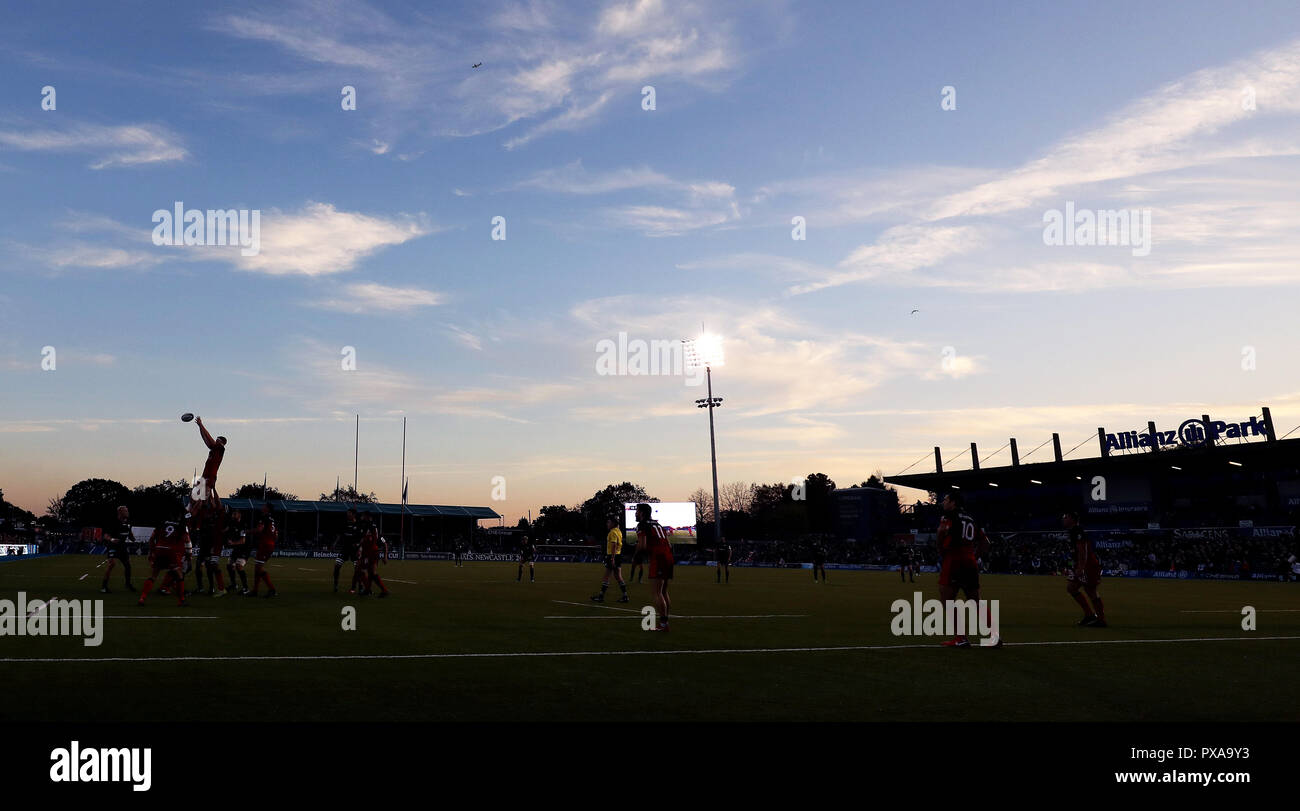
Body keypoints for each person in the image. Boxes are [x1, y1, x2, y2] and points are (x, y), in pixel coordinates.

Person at [936, 492, 997, 647]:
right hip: (969, 563)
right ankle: (995, 636)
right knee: (976, 601)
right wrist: (974, 557)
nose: (943, 503)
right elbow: (986, 543)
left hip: (954, 562)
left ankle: (961, 638)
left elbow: (944, 539)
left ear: (954, 503)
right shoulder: (971, 519)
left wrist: (940, 541)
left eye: (946, 500)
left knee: (947, 599)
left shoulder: (948, 518)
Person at [137, 512, 190, 607]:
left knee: (153, 575)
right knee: (179, 574)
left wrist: (152, 551)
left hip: (159, 549)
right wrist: (188, 554)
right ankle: (181, 600)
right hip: (171, 551)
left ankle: (142, 598)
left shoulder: (162, 524)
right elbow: (186, 540)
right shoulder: (181, 526)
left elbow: (152, 538)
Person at [634, 503, 672, 631]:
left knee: (656, 592)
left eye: (637, 511)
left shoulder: (642, 525)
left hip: (658, 558)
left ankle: (663, 624)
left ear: (642, 513)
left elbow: (642, 545)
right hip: (668, 556)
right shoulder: (658, 524)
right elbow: (669, 544)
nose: (635, 513)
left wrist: (635, 555)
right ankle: (665, 621)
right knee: (664, 591)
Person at [1063, 512, 1106, 627]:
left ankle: (1101, 620)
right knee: (1071, 588)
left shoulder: (1077, 531)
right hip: (1080, 565)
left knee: (1090, 590)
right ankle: (1089, 615)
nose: (1063, 519)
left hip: (1088, 566)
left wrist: (1081, 567)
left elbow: (1083, 550)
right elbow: (1075, 552)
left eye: (1065, 517)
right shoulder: (1073, 531)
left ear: (1072, 519)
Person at [591, 517, 629, 603]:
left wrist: (612, 558)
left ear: (613, 523)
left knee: (607, 576)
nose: (607, 524)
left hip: (613, 556)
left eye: (608, 522)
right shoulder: (618, 531)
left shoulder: (612, 532)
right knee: (618, 576)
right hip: (618, 555)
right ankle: (625, 596)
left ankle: (601, 596)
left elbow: (614, 545)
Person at [194, 416, 227, 507]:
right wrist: (200, 427)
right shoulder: (213, 449)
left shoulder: (220, 448)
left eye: (217, 440)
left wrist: (201, 424)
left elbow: (209, 438)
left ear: (220, 442)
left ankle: (195, 513)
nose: (215, 441)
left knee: (201, 496)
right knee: (196, 494)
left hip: (210, 476)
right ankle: (210, 508)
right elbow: (205, 439)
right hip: (205, 475)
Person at [101, 505, 135, 593]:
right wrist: (112, 539)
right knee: (111, 564)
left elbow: (129, 532)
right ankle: (104, 587)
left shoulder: (128, 522)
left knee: (128, 565)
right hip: (113, 546)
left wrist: (133, 538)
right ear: (120, 512)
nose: (127, 512)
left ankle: (127, 584)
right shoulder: (113, 522)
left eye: (127, 510)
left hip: (122, 546)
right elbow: (105, 535)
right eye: (125, 511)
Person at [247, 504, 277, 598]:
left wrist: (246, 532)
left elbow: (259, 529)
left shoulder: (264, 518)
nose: (262, 507)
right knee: (257, 568)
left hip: (265, 544)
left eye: (264, 506)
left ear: (267, 509)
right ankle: (255, 590)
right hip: (269, 544)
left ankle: (272, 589)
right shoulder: (272, 519)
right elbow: (276, 533)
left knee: (259, 568)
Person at [358, 515, 390, 597]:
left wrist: (385, 556)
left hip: (372, 554)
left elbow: (385, 544)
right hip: (370, 554)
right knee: (370, 573)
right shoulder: (366, 531)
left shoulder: (376, 534)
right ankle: (369, 590)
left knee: (365, 571)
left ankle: (373, 590)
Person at [333, 508, 362, 592]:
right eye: (347, 513)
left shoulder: (358, 524)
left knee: (358, 569)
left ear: (353, 514)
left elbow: (361, 538)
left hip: (355, 550)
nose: (347, 515)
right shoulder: (344, 523)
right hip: (345, 548)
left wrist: (359, 547)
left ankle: (359, 586)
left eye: (349, 513)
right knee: (337, 566)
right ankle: (335, 585)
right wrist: (335, 543)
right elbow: (340, 535)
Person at [225, 510, 251, 594]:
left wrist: (233, 543)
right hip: (237, 548)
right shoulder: (232, 523)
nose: (233, 515)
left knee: (239, 566)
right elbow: (226, 530)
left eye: (234, 514)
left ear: (239, 515)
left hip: (244, 549)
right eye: (233, 513)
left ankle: (246, 588)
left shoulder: (243, 525)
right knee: (229, 565)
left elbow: (243, 541)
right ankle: (234, 585)